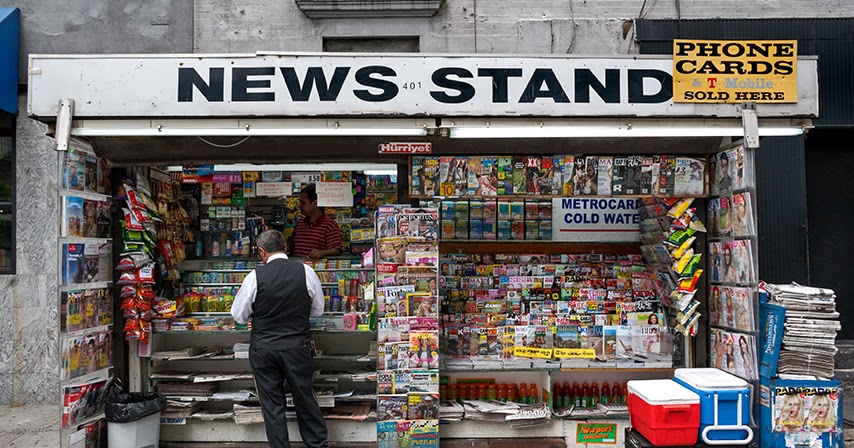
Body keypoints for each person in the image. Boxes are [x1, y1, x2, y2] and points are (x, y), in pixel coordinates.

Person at [230, 230, 328, 448]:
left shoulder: (254, 277)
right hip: (297, 347)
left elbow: (238, 315)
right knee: (304, 397)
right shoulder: (306, 272)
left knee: (272, 405)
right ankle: (317, 445)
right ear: (286, 247)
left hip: (264, 349)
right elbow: (318, 310)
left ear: (261, 252)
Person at [288, 184, 343, 259]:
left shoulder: (329, 225)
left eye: (303, 202)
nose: (299, 206)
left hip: (315, 268)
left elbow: (337, 249)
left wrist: (323, 252)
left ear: (315, 203)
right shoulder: (300, 223)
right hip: (297, 267)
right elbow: (290, 246)